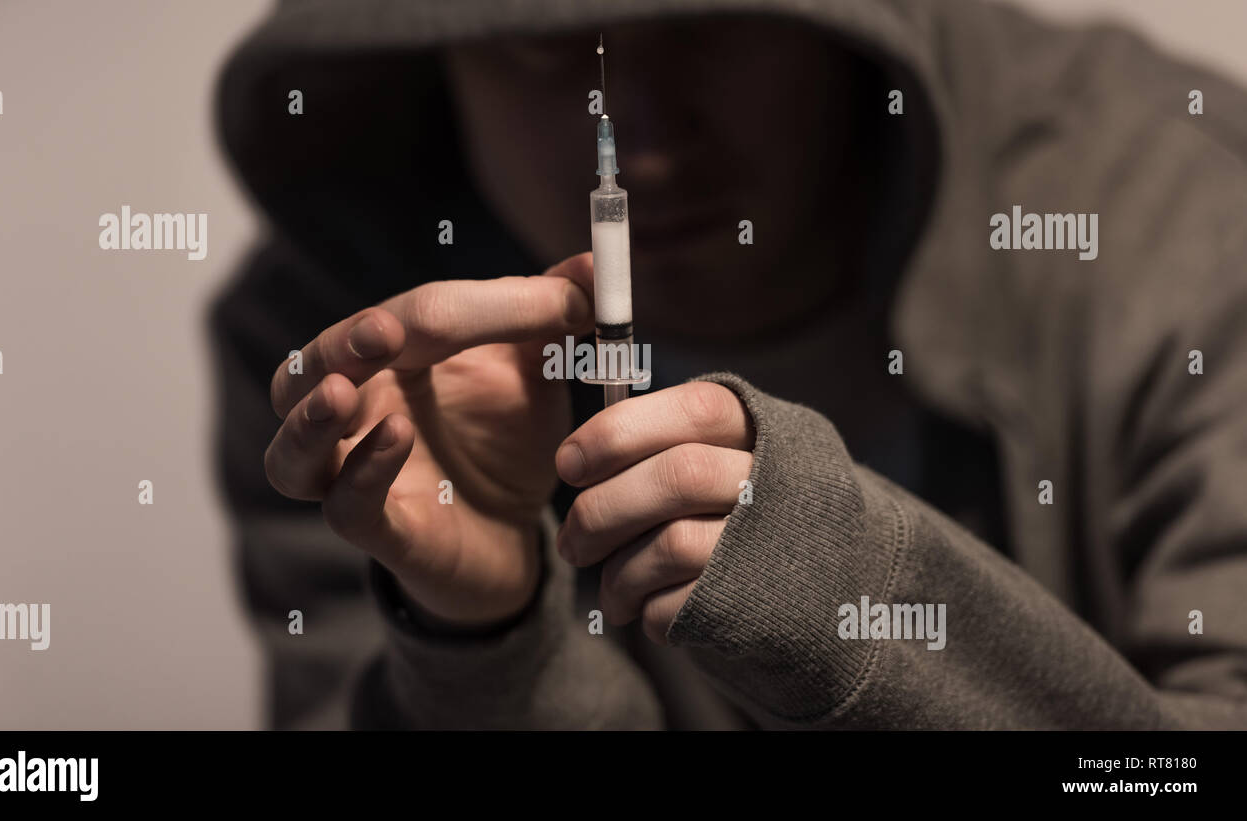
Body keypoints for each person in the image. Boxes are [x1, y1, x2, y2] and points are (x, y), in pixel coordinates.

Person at [208, 0, 1247, 729]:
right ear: (435, 56)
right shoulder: (361, 344)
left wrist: (842, 591)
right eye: (543, 50)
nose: (648, 136)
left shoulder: (1179, 211)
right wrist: (481, 646)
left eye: (712, 27)